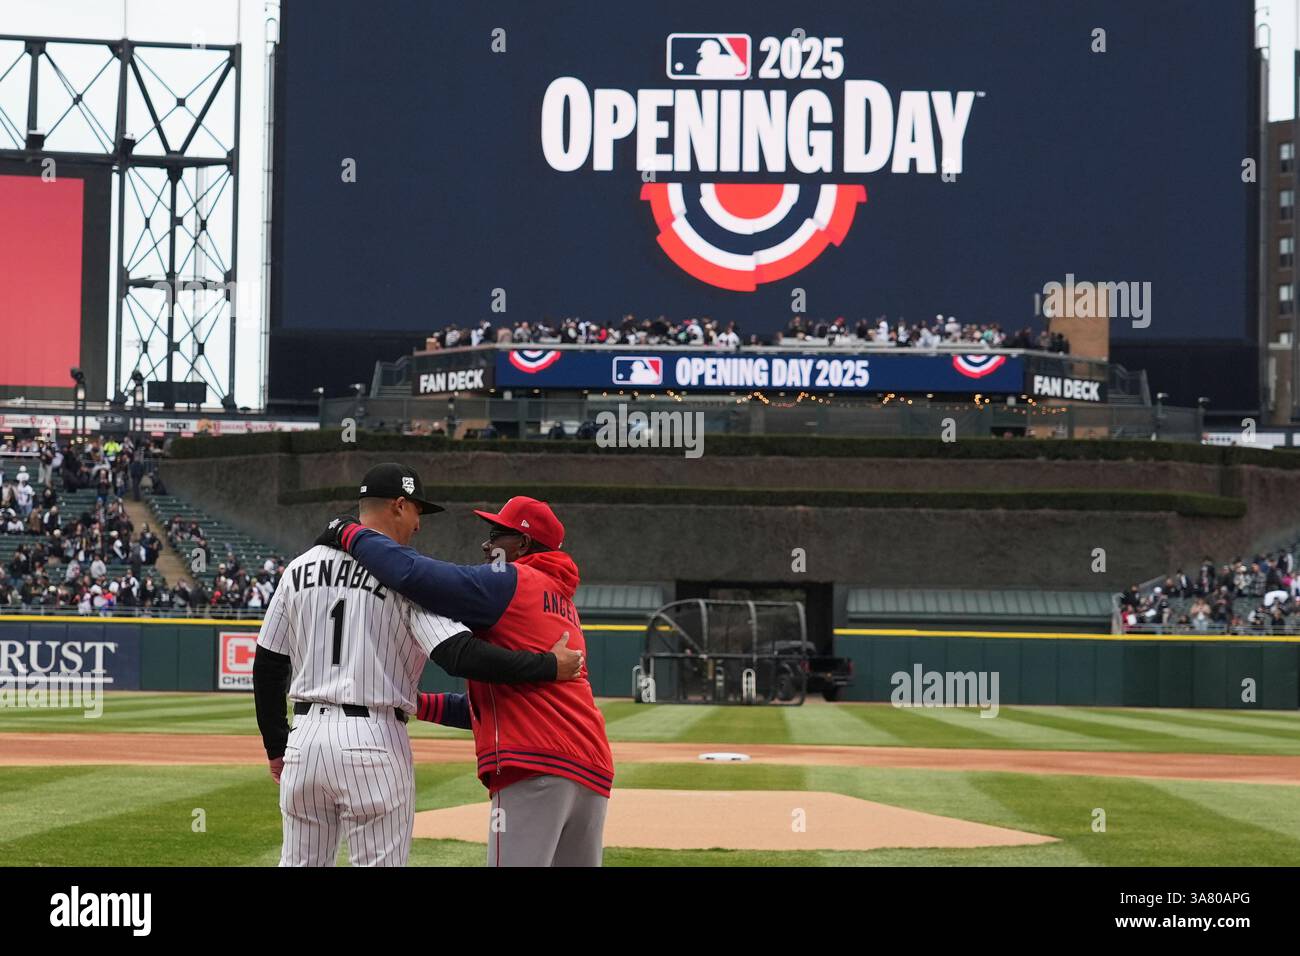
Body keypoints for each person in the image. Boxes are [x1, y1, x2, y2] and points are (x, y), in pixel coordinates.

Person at [253, 463, 583, 867]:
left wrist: (276, 745)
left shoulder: (298, 568)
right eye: (416, 512)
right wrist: (546, 665)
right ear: (398, 505)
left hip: (303, 741)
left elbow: (268, 664)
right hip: (373, 739)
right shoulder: (406, 578)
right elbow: (458, 655)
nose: (419, 525)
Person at [318, 495, 613, 867]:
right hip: (591, 771)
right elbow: (501, 698)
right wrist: (415, 702)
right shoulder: (563, 602)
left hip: (536, 766)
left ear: (522, 544)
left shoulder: (512, 579)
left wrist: (349, 532)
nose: (487, 545)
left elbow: (414, 575)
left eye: (496, 535)